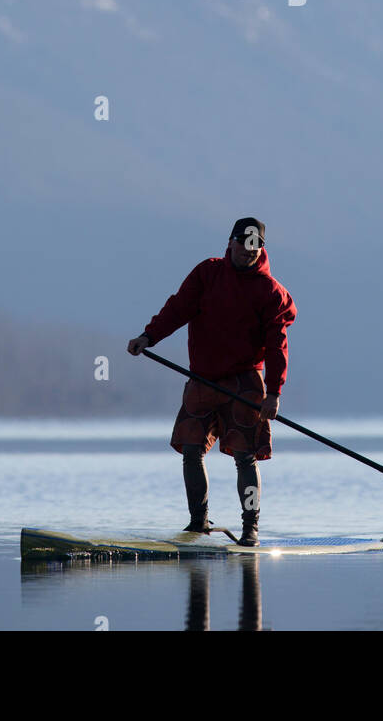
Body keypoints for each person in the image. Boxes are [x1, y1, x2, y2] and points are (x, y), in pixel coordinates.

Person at [127, 217, 296, 546]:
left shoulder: (270, 293)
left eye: (255, 247)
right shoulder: (207, 273)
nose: (248, 253)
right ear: (230, 242)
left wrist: (274, 393)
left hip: (246, 382)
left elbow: (278, 347)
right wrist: (148, 336)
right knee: (192, 450)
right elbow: (177, 309)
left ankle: (250, 529)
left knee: (245, 457)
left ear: (260, 248)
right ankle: (198, 523)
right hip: (202, 379)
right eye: (242, 245)